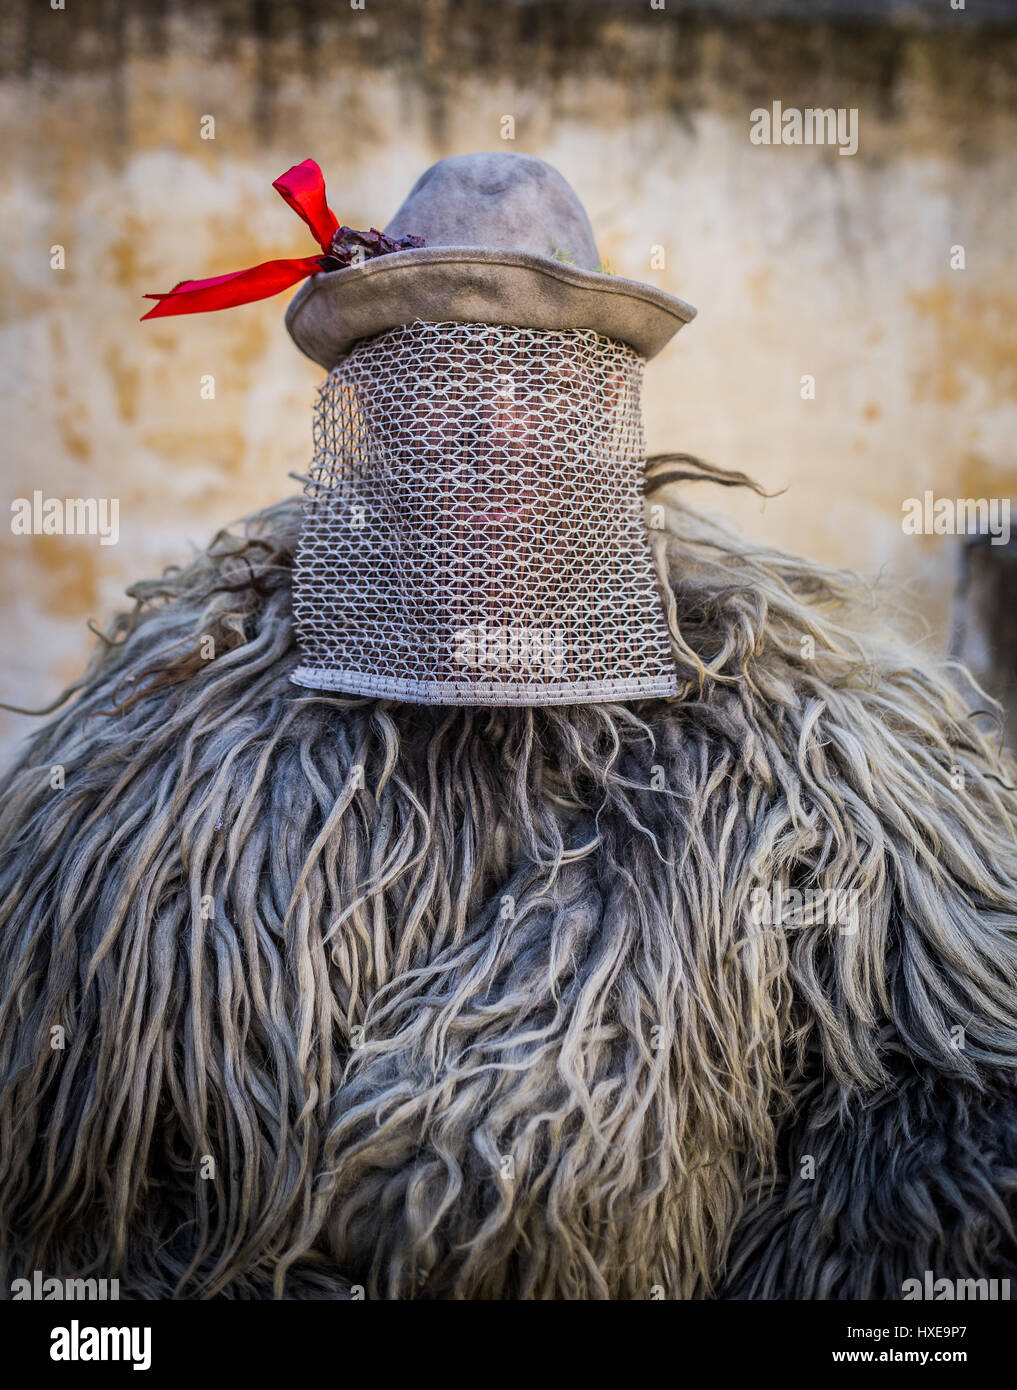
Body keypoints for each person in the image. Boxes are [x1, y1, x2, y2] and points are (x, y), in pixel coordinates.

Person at [1, 153, 1015, 1301]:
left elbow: (943, 1124)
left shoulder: (805, 730)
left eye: (537, 370)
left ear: (601, 402)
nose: (495, 418)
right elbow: (74, 1214)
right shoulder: (168, 732)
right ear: (371, 404)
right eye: (444, 367)